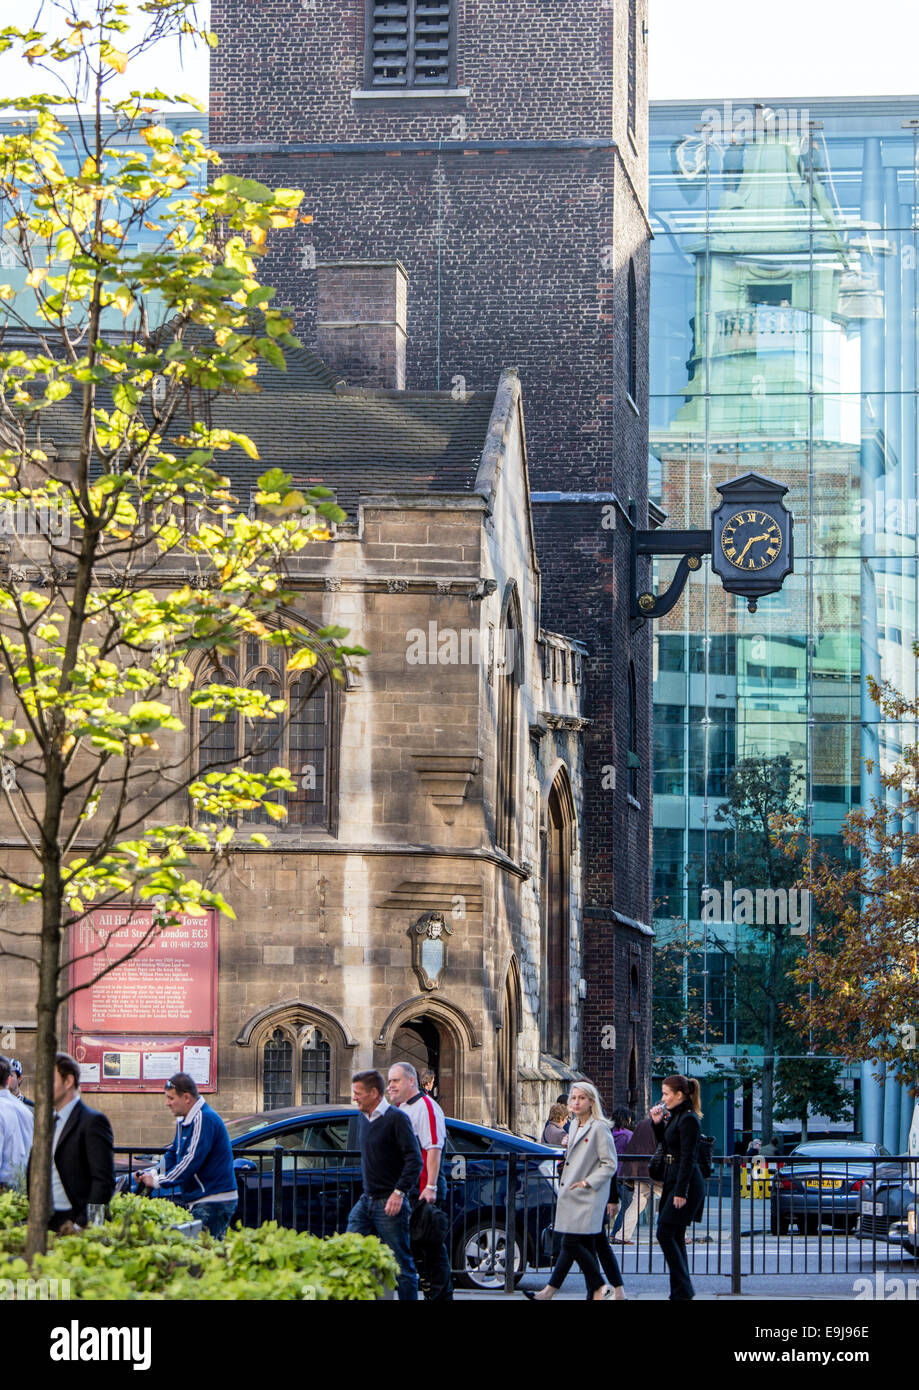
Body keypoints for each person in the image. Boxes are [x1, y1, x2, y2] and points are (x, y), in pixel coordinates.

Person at [524, 1081, 621, 1300]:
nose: (576, 1102)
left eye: (581, 1098)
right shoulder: (575, 1125)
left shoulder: (599, 1127)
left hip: (589, 1195)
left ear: (591, 1102)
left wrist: (588, 1183)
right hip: (572, 1194)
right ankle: (597, 1291)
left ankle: (593, 1287)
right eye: (573, 1098)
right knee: (584, 1245)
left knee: (569, 1242)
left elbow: (609, 1164)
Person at [347, 1069, 423, 1301]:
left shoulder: (396, 1119)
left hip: (389, 1203)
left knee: (402, 1265)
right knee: (348, 1251)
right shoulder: (363, 1118)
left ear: (373, 1093)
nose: (354, 1098)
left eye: (358, 1093)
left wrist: (399, 1193)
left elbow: (415, 1160)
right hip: (366, 1200)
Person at [137, 1073, 237, 1237]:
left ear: (186, 1098)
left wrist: (158, 1181)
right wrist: (153, 1172)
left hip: (213, 1199)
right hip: (203, 1199)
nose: (167, 1103)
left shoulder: (203, 1118)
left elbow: (191, 1160)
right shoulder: (185, 1120)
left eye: (171, 1098)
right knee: (200, 1248)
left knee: (202, 1249)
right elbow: (173, 1153)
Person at [387, 1061, 453, 1301]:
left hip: (424, 1188)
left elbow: (434, 1148)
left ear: (411, 1081)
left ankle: (440, 1297)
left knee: (431, 1248)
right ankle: (429, 1292)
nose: (390, 1086)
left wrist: (430, 1187)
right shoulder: (400, 1108)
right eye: (389, 1081)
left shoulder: (426, 1107)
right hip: (409, 1188)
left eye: (396, 1081)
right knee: (418, 1247)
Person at [41, 1052, 114, 1230]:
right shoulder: (48, 1123)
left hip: (74, 1221)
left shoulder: (93, 1121)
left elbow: (103, 1182)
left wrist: (84, 1225)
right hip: (46, 1220)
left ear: (68, 1081)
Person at [650, 1073, 706, 1301]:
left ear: (679, 1094)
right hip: (674, 1179)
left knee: (664, 1232)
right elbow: (666, 1145)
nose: (663, 1098)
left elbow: (688, 1157)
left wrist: (681, 1191)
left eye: (666, 1094)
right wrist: (657, 1124)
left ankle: (684, 1288)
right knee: (674, 1234)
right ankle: (679, 1293)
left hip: (686, 1182)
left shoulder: (689, 1119)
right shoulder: (677, 1116)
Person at [617, 1113, 662, 1244]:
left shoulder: (642, 1124)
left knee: (636, 1204)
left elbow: (633, 1146)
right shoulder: (663, 1125)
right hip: (656, 1172)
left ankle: (622, 1235)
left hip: (639, 1170)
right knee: (670, 1201)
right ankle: (681, 1235)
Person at [0, 1055, 33, 1190]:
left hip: (4, 1190)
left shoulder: (29, 1108)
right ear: (7, 1079)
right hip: (23, 1186)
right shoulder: (24, 1110)